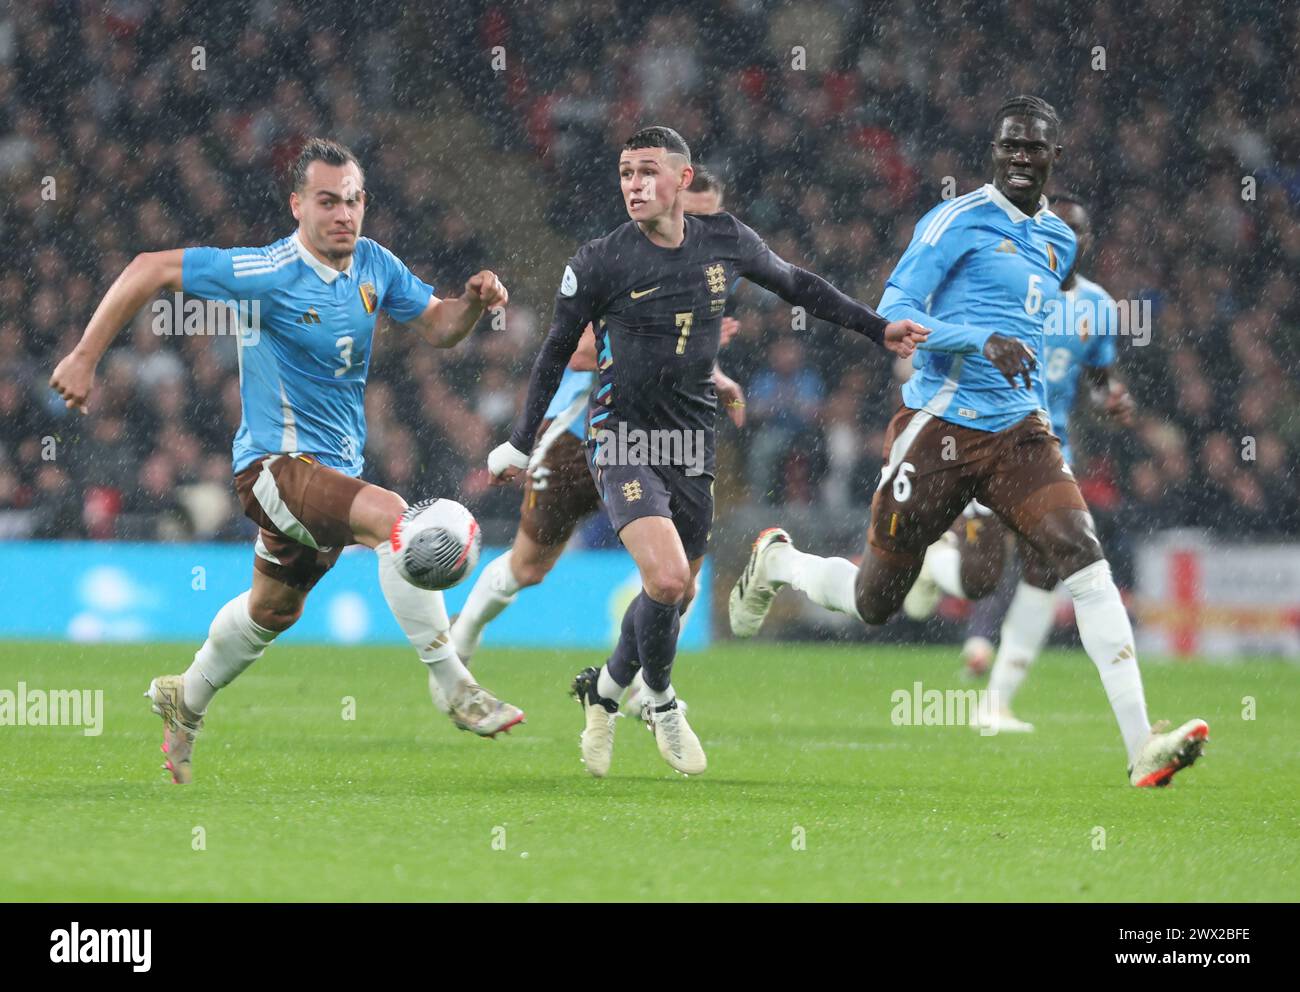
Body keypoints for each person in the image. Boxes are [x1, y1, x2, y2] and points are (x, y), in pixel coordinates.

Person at [729, 98, 1208, 787]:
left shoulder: (1057, 241)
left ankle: (1142, 745)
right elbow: (895, 313)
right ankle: (779, 561)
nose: (1020, 157)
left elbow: (1044, 340)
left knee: (1084, 558)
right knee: (874, 601)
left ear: (1054, 157)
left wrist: (1074, 396)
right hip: (940, 427)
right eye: (1009, 146)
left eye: (1033, 148)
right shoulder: (955, 220)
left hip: (1019, 432)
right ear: (994, 151)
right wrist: (977, 338)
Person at [50, 139, 524, 784]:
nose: (343, 214)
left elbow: (439, 326)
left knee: (274, 611)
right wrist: (84, 356)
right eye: (328, 201)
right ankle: (452, 685)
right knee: (395, 520)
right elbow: (147, 267)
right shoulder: (265, 272)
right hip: (271, 468)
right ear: (297, 204)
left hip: (332, 475)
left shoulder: (375, 266)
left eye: (353, 201)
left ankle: (185, 697)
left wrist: (472, 302)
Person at [489, 126, 927, 777]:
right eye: (625, 173)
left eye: (647, 172)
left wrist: (877, 327)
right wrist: (520, 443)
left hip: (692, 438)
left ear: (683, 180)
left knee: (679, 592)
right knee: (665, 579)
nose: (634, 185)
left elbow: (799, 285)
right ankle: (661, 700)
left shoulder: (725, 240)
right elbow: (556, 350)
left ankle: (606, 692)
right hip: (623, 437)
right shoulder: (600, 260)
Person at [449, 169, 745, 709]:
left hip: (655, 447)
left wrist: (714, 375)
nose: (698, 227)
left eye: (709, 218)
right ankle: (462, 636)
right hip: (580, 444)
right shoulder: (626, 263)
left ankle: (631, 690)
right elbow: (579, 351)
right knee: (530, 567)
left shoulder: (717, 271)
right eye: (692, 214)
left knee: (678, 585)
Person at [902, 194, 1138, 732]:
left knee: (1045, 571)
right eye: (1060, 231)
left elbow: (1099, 381)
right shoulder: (1013, 290)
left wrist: (1113, 399)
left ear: (1086, 242)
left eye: (1077, 235)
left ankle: (997, 702)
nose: (1067, 243)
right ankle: (935, 564)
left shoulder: (1098, 306)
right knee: (978, 577)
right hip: (990, 440)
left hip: (1049, 450)